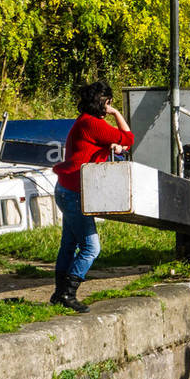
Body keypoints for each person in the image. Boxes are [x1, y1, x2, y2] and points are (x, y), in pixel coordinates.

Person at [50, 81, 135, 312]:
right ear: (104, 102)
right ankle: (68, 293)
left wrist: (113, 147)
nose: (110, 106)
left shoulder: (84, 122)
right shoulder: (92, 123)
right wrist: (117, 113)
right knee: (91, 247)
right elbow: (128, 138)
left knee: (68, 245)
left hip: (66, 189)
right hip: (74, 193)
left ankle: (59, 294)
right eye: (110, 102)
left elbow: (104, 145)